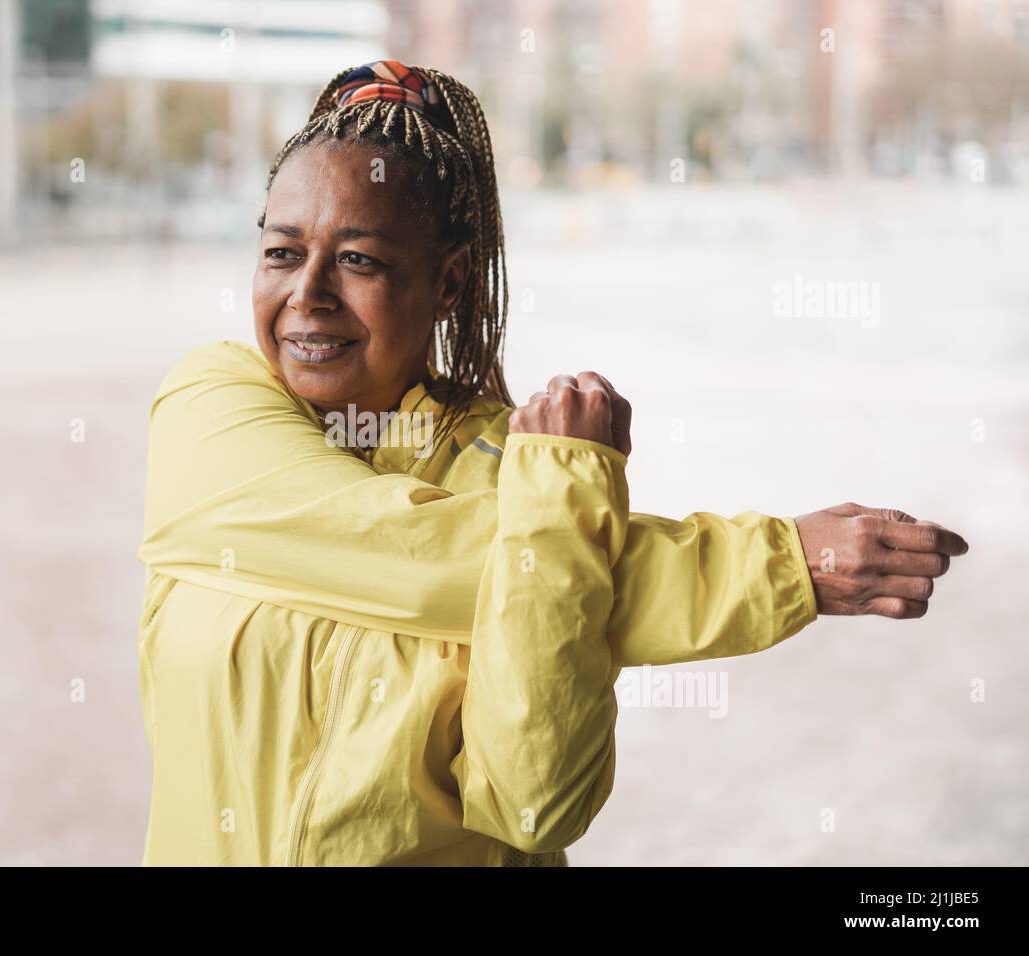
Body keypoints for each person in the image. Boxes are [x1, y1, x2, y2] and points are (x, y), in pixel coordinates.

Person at [136, 60, 968, 866]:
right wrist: (781, 563)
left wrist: (562, 515)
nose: (307, 293)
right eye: (283, 252)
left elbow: (536, 807)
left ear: (449, 281)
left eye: (360, 259)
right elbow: (429, 558)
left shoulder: (521, 478)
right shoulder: (210, 410)